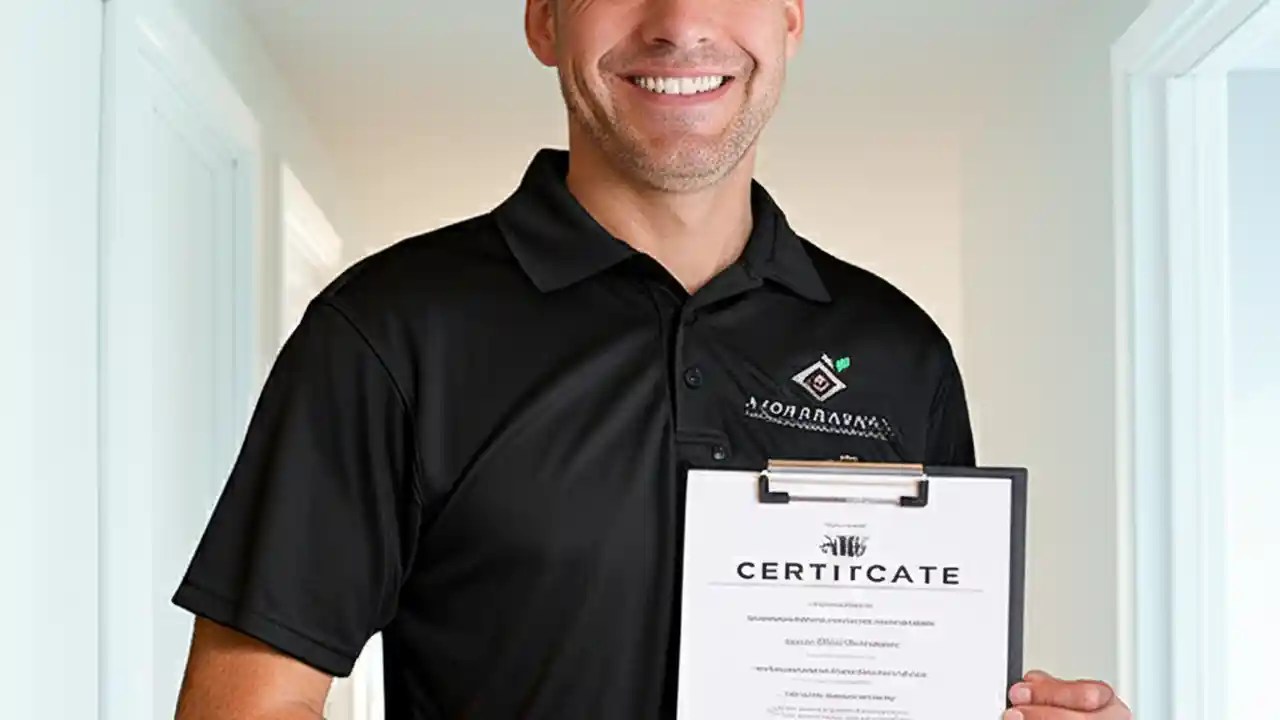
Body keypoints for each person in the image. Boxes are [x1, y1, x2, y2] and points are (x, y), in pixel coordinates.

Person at [172, 1, 1132, 719]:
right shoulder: (388, 330)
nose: (680, 23)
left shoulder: (901, 351)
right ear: (545, 19)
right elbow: (246, 707)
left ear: (792, 17)